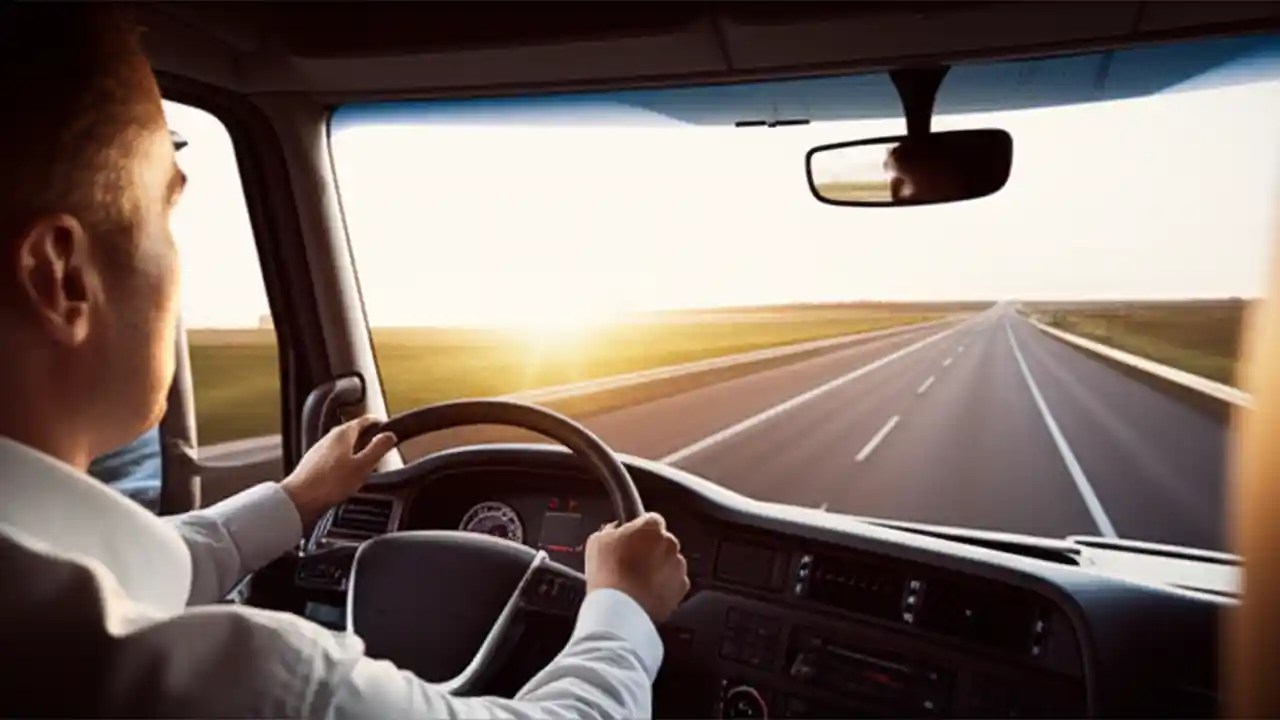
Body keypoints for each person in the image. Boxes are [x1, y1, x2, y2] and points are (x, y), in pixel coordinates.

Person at [0, 6, 689, 718]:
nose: (177, 264)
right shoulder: (259, 687)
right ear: (62, 275)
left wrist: (296, 499)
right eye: (165, 215)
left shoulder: (39, 582)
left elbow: (141, 567)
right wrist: (622, 609)